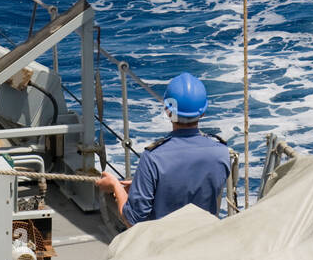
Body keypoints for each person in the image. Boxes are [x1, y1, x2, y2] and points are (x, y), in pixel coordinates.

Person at [95, 72, 230, 226]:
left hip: (163, 246)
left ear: (168, 111)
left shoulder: (153, 157)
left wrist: (115, 185)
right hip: (202, 242)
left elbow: (132, 220)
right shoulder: (221, 153)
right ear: (203, 112)